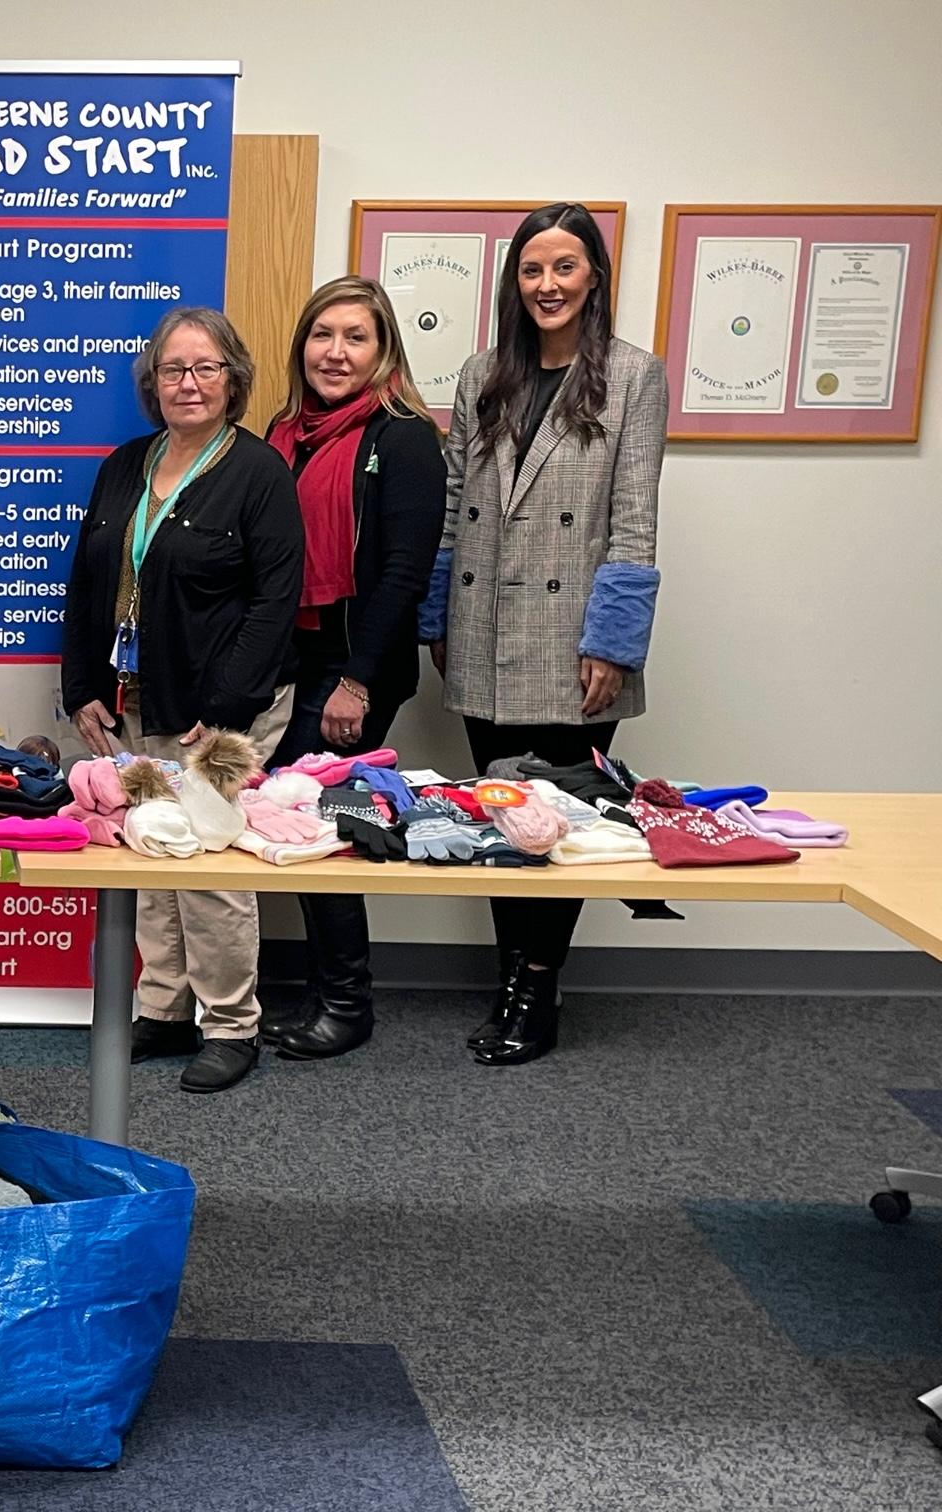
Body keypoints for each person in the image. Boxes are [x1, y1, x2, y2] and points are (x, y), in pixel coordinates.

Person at [421, 202, 667, 1066]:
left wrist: (613, 640)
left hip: (575, 638)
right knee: (500, 813)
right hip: (483, 629)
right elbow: (454, 506)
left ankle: (538, 986)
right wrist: (436, 616)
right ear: (513, 281)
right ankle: (509, 976)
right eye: (532, 269)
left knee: (558, 819)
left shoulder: (635, 376)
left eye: (564, 267)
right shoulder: (481, 371)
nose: (548, 285)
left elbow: (635, 521)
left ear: (594, 275)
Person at [61, 307, 304, 1093]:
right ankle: (163, 1010)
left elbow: (276, 601)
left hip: (220, 717)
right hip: (136, 701)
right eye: (173, 369)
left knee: (212, 869)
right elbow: (88, 584)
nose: (188, 384)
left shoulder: (259, 473)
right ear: (152, 382)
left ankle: (233, 1024)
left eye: (205, 368)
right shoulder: (126, 463)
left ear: (233, 379)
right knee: (148, 853)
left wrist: (228, 703)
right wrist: (83, 689)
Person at [260, 277, 445, 1061]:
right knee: (298, 822)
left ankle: (346, 1001)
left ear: (383, 349)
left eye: (355, 337)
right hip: (292, 656)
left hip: (354, 663)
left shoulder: (403, 437)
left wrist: (358, 681)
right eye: (322, 335)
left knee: (328, 825)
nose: (335, 352)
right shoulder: (283, 431)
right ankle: (320, 990)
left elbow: (405, 571)